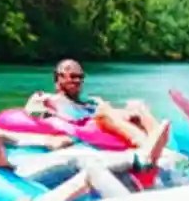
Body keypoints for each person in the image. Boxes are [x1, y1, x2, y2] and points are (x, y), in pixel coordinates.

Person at [0, 76, 172, 201]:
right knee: (81, 160)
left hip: (15, 170)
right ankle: (142, 158)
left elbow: (10, 137)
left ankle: (144, 183)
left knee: (78, 158)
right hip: (11, 182)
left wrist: (48, 141)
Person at [23, 59, 163, 150]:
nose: (77, 80)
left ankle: (161, 144)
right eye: (71, 76)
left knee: (136, 106)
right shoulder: (48, 98)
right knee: (104, 114)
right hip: (83, 126)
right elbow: (31, 109)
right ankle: (144, 145)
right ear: (57, 78)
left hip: (96, 120)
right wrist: (55, 117)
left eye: (80, 77)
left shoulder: (87, 102)